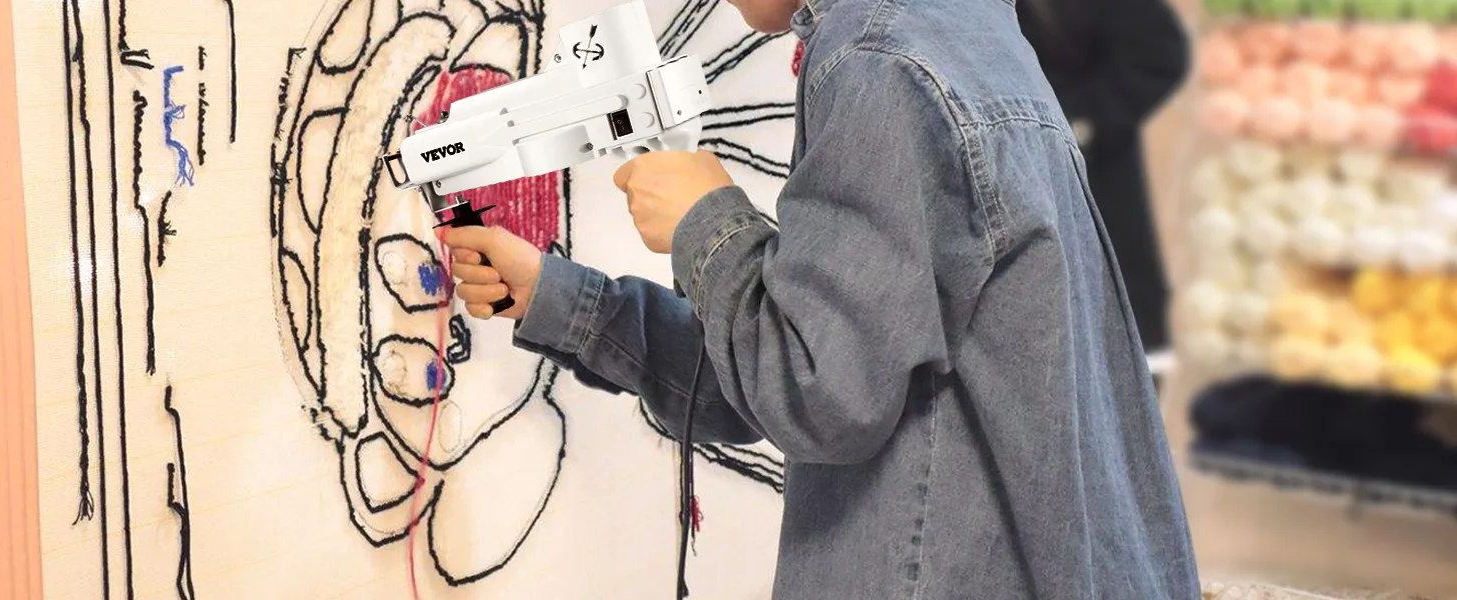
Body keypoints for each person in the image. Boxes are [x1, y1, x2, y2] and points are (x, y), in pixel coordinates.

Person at [443, 0, 1200, 598]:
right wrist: (556, 297)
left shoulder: (881, 59)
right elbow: (780, 386)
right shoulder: (954, 37)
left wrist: (708, 223)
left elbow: (814, 396)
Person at [1018, 0, 1190, 370]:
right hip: (988, 194)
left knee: (1112, 362)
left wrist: (1076, 120)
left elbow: (1157, 56)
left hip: (1092, 179)